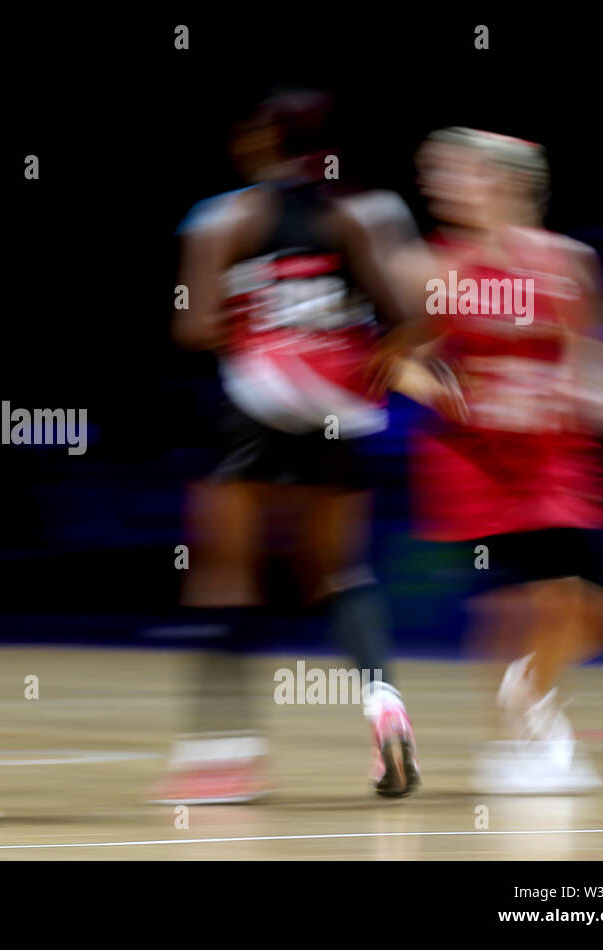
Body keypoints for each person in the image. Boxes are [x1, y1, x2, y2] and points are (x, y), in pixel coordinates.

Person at [153, 90, 425, 804]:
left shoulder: (224, 217)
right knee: (342, 572)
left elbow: (194, 327)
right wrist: (357, 352)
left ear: (259, 141)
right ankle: (383, 701)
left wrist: (251, 321)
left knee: (226, 575)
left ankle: (224, 759)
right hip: (340, 410)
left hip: (259, 403)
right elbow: (408, 321)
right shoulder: (357, 215)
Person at [382, 128, 603, 793]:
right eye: (431, 172)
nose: (437, 184)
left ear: (504, 180)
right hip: (476, 454)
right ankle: (517, 744)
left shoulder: (568, 261)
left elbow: (599, 349)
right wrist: (446, 394)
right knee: (523, 603)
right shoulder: (427, 268)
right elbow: (393, 360)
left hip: (557, 450)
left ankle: (528, 688)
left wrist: (591, 388)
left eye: (452, 171)